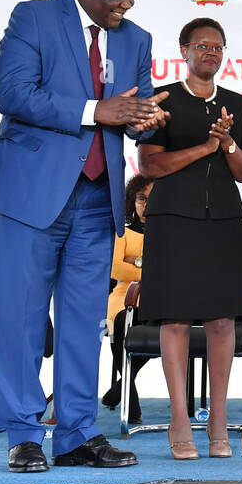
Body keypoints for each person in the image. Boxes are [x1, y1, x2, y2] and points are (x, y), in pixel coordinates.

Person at [0, 0, 169, 473]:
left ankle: (78, 433)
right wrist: (94, 111)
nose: (125, 6)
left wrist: (143, 119)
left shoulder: (137, 39)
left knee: (85, 322)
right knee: (19, 317)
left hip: (97, 196)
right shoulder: (33, 17)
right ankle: (23, 434)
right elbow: (13, 94)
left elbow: (134, 106)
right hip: (29, 194)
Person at [138, 18, 242, 461]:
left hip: (223, 219)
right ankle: (180, 418)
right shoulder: (163, 100)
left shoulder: (237, 105)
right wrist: (204, 149)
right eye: (202, 45)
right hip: (173, 219)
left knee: (222, 320)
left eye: (218, 47)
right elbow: (150, 166)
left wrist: (225, 144)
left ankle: (219, 421)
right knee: (175, 319)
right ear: (184, 50)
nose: (211, 52)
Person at [101, 174, 153, 424]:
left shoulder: (170, 232)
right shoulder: (122, 232)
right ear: (132, 201)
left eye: (153, 198)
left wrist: (134, 261)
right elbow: (115, 270)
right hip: (123, 296)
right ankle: (131, 404)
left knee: (159, 333)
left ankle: (120, 387)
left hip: (159, 298)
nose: (146, 203)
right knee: (121, 324)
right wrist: (147, 264)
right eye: (141, 198)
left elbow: (170, 270)